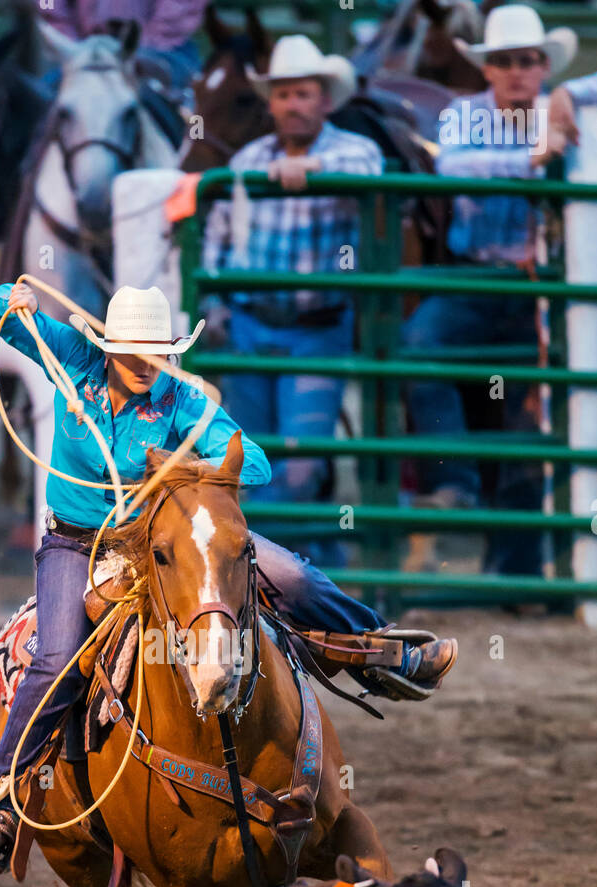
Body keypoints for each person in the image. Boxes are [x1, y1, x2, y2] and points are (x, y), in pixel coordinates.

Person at [0, 281, 458, 875]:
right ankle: (5, 800)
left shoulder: (183, 400)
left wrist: (185, 470)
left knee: (291, 576)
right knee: (59, 652)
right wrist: (15, 301)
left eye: (159, 352)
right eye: (135, 351)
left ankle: (381, 652)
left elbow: (257, 462)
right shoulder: (72, 359)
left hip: (168, 538)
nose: (147, 364)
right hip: (77, 544)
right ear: (109, 349)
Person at [402, 4, 597, 575]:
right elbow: (454, 168)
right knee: (418, 349)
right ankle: (453, 482)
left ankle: (514, 574)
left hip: (540, 293)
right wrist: (535, 157)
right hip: (478, 277)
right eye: (504, 62)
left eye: (528, 62)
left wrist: (575, 95)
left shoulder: (565, 109)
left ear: (542, 67)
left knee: (527, 432)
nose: (516, 72)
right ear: (487, 69)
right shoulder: (463, 114)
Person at [200, 35, 383, 570]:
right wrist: (215, 305)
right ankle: (307, 568)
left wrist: (314, 170)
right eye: (284, 95)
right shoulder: (248, 159)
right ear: (272, 102)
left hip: (315, 325)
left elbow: (368, 172)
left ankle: (271, 571)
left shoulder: (352, 150)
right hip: (250, 325)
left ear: (324, 100)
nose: (294, 105)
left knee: (299, 464)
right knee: (251, 461)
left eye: (304, 94)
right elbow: (217, 236)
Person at [38, 0, 206, 100]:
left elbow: (181, 6)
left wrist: (138, 45)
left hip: (162, 49)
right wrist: (72, 45)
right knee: (42, 98)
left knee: (195, 115)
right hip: (85, 50)